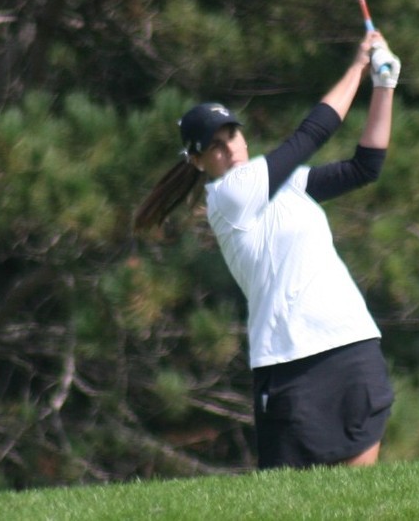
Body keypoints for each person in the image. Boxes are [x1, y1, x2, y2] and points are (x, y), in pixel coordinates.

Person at [133, 30, 402, 469]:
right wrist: (357, 67)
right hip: (289, 363)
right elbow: (312, 133)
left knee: (362, 498)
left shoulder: (288, 184)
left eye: (232, 135)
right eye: (214, 146)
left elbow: (364, 167)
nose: (229, 148)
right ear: (198, 162)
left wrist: (384, 89)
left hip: (351, 341)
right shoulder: (227, 197)